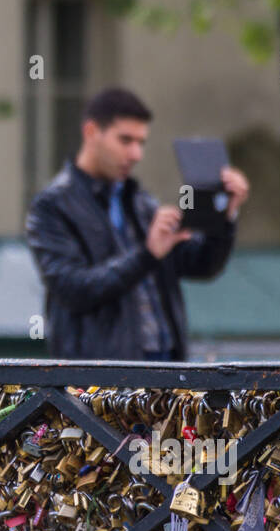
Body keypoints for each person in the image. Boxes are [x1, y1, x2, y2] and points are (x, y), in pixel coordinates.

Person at [25, 87, 249, 361]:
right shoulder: (52, 206)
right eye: (126, 140)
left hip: (167, 372)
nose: (136, 154)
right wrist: (147, 254)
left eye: (141, 142)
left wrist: (223, 217)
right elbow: (74, 290)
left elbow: (202, 265)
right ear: (92, 132)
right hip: (100, 383)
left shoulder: (140, 201)